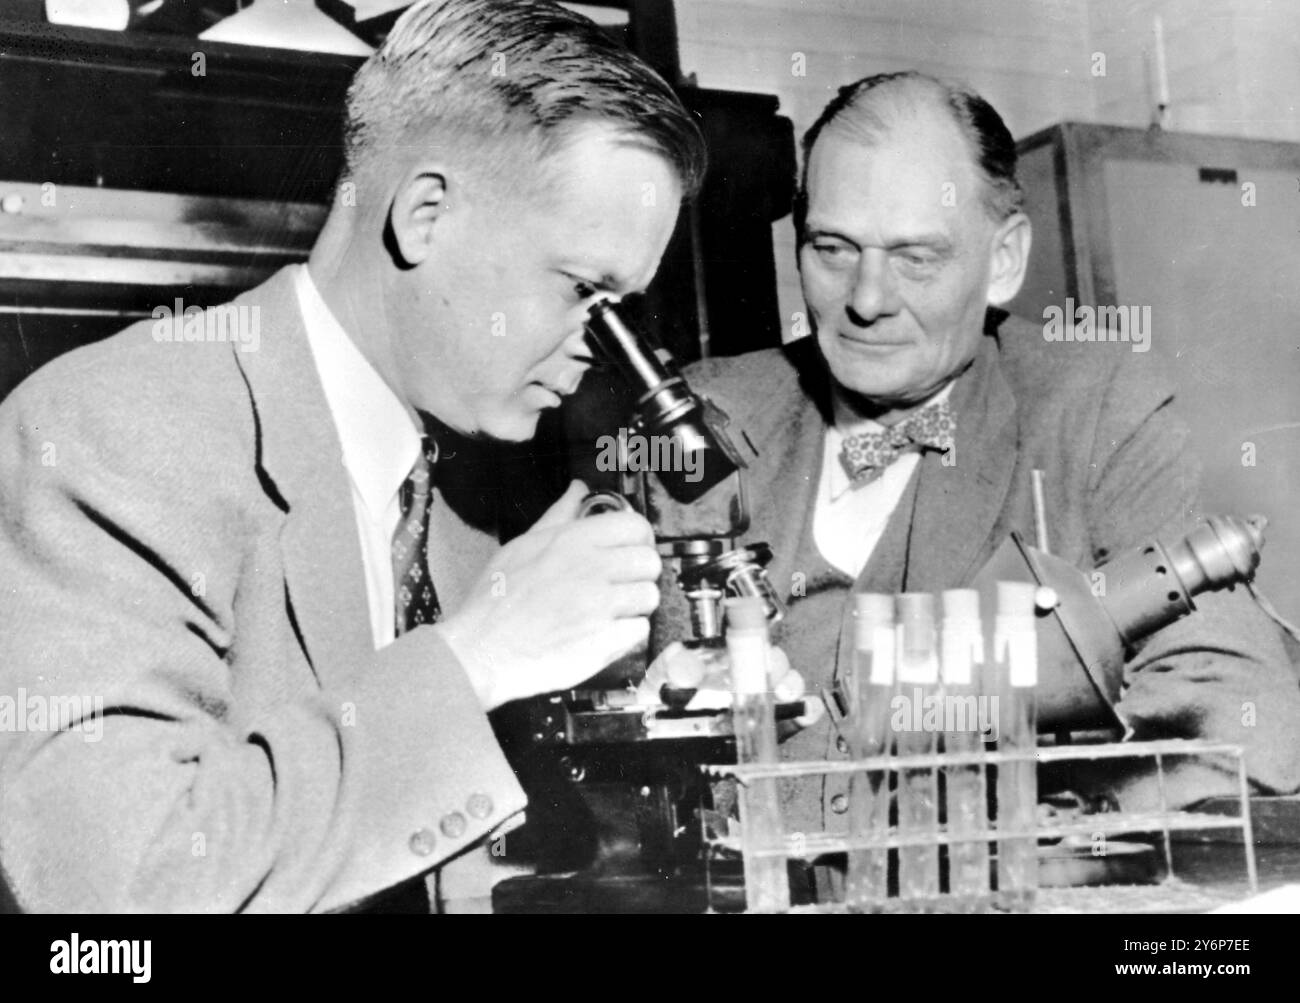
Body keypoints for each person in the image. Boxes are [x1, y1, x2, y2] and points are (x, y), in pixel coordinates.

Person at [0, 0, 705, 912]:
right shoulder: (111, 431)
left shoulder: (484, 467)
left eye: (626, 306)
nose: (598, 348)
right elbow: (115, 896)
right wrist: (475, 657)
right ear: (424, 216)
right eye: (582, 290)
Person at [651, 71, 1300, 861]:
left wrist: (1031, 835)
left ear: (1004, 259)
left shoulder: (1095, 408)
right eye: (832, 248)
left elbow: (1238, 711)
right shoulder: (707, 422)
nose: (865, 298)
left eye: (915, 258)